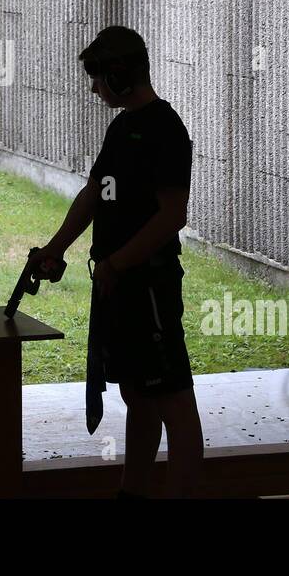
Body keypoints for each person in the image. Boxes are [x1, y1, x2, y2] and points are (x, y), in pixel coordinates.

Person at [29, 26, 203, 498]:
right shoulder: (122, 127)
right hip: (121, 285)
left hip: (148, 287)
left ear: (120, 75)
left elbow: (173, 215)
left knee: (173, 403)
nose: (93, 88)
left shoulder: (165, 130)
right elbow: (93, 194)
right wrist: (56, 247)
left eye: (98, 78)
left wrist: (117, 263)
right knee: (138, 395)